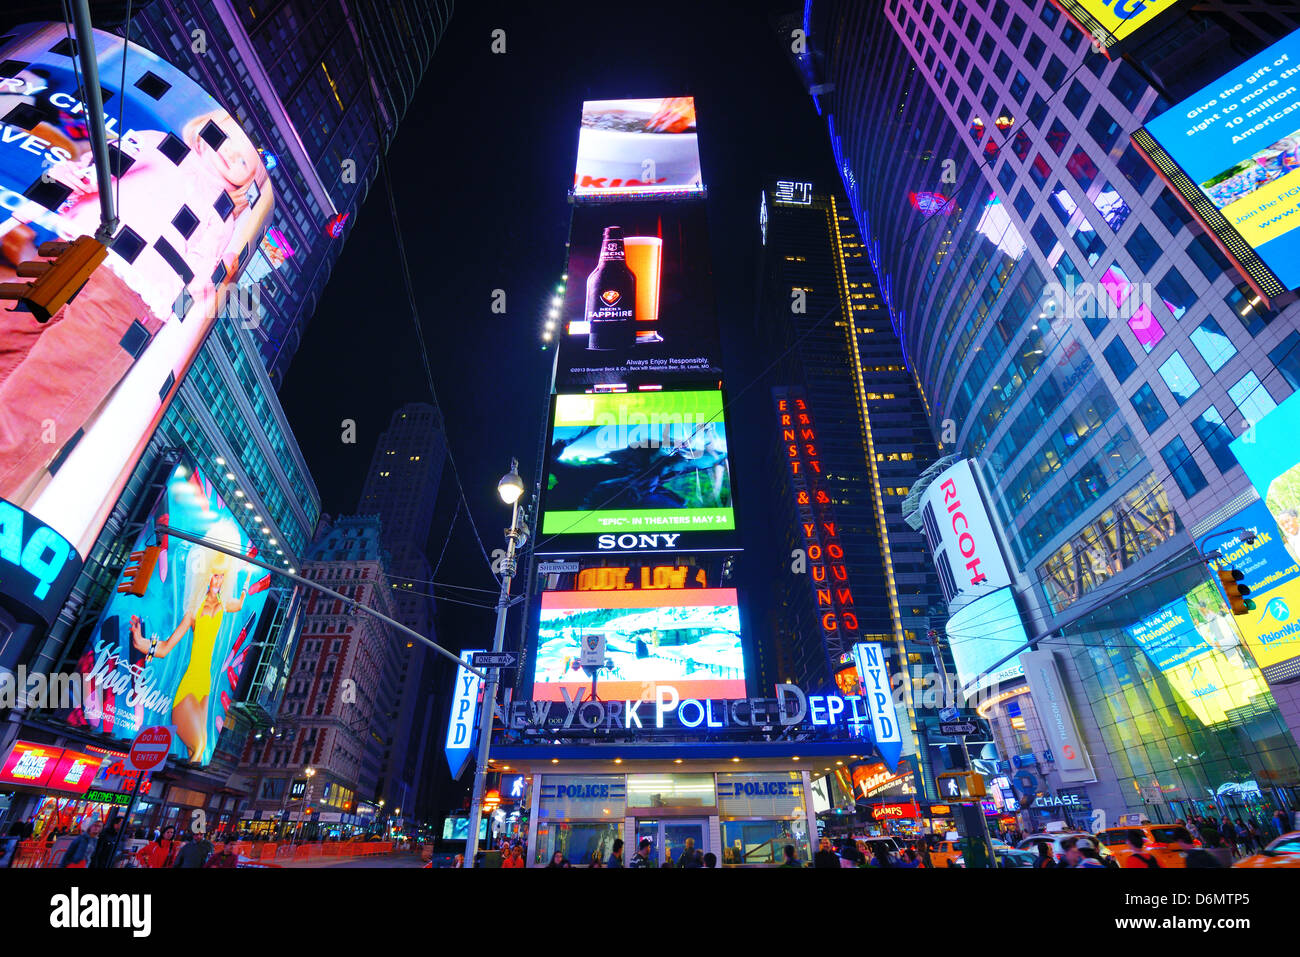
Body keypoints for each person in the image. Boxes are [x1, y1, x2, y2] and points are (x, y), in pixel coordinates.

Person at [135, 522, 252, 763]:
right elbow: (166, 648)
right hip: (189, 684)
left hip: (205, 685)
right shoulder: (193, 610)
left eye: (221, 577)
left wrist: (246, 583)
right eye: (214, 576)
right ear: (206, 576)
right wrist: (141, 642)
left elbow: (239, 604)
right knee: (199, 747)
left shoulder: (223, 605)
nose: (217, 581)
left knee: (199, 754)